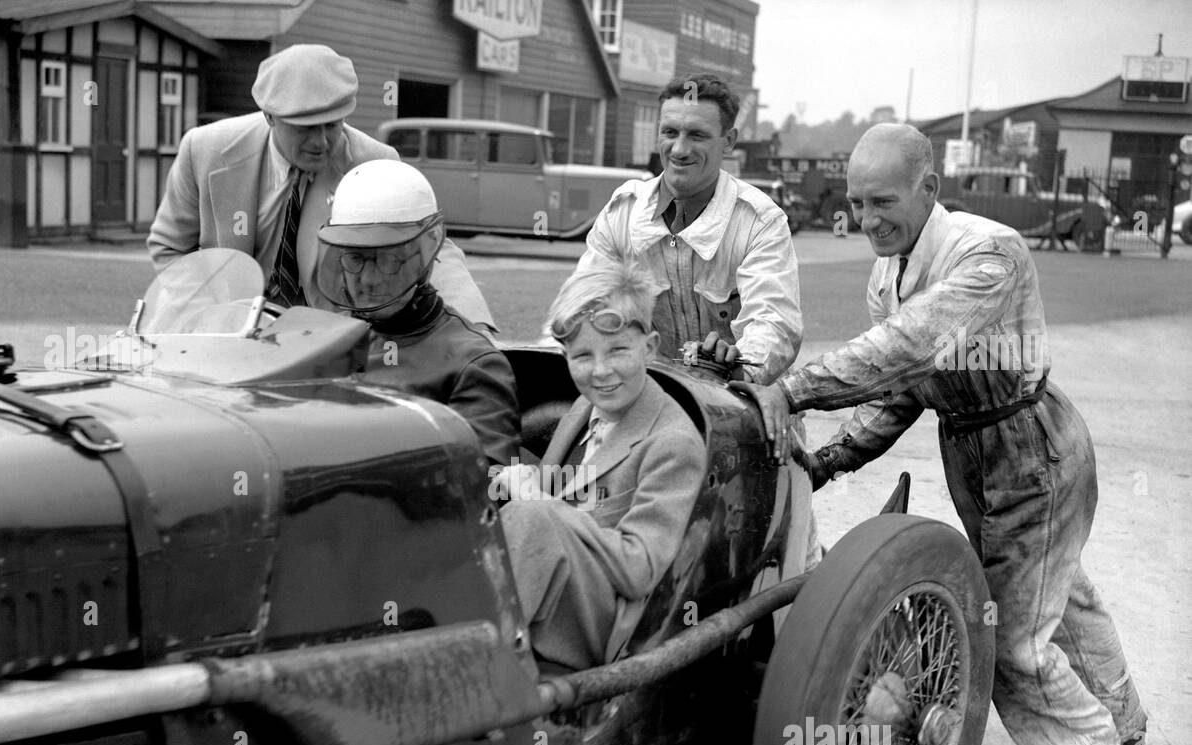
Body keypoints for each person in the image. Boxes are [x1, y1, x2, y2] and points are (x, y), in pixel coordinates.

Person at [730, 123, 1145, 745]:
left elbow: (910, 345)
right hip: (972, 448)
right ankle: (1123, 715)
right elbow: (903, 392)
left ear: (930, 188)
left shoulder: (991, 253)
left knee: (1008, 631)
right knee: (1058, 591)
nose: (866, 219)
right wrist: (828, 458)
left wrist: (793, 388)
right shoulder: (884, 277)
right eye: (857, 202)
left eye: (883, 202)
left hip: (1033, 446)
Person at [147, 44, 493, 329]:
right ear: (269, 117)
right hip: (222, 333)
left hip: (324, 336)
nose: (322, 141)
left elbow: (429, 246)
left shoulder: (374, 160)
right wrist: (220, 318)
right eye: (306, 128)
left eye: (332, 125)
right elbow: (170, 248)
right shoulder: (204, 149)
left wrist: (475, 325)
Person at [492, 260, 708, 671]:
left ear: (650, 347)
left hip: (603, 629)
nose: (601, 371)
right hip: (549, 591)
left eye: (618, 351)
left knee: (533, 516)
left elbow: (641, 569)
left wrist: (540, 503)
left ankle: (480, 663)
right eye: (582, 357)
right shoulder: (582, 407)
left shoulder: (673, 443)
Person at [573, 72, 801, 383]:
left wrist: (739, 367)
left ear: (729, 142)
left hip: (735, 399)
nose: (679, 150)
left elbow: (775, 323)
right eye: (669, 132)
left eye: (697, 135)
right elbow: (582, 306)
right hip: (644, 397)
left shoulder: (759, 222)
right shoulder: (621, 213)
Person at [316, 159, 519, 470]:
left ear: (428, 250)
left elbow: (479, 487)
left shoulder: (472, 364)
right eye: (355, 258)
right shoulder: (321, 338)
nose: (368, 280)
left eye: (387, 259)